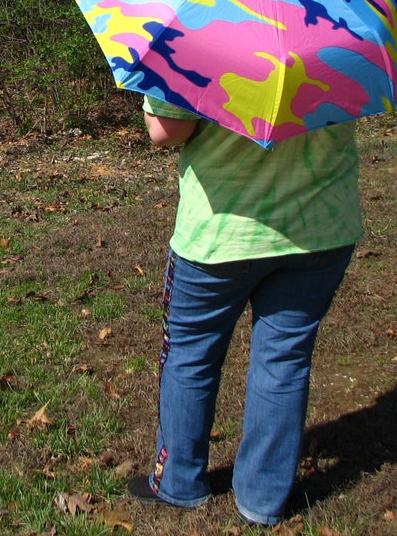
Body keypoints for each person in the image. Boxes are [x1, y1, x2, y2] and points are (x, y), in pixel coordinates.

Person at [126, 95, 363, 527]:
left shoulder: (198, 46)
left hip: (222, 232)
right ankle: (262, 500)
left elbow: (166, 131)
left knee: (190, 355)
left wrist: (151, 94)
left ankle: (178, 483)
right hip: (319, 228)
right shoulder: (351, 47)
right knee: (284, 360)